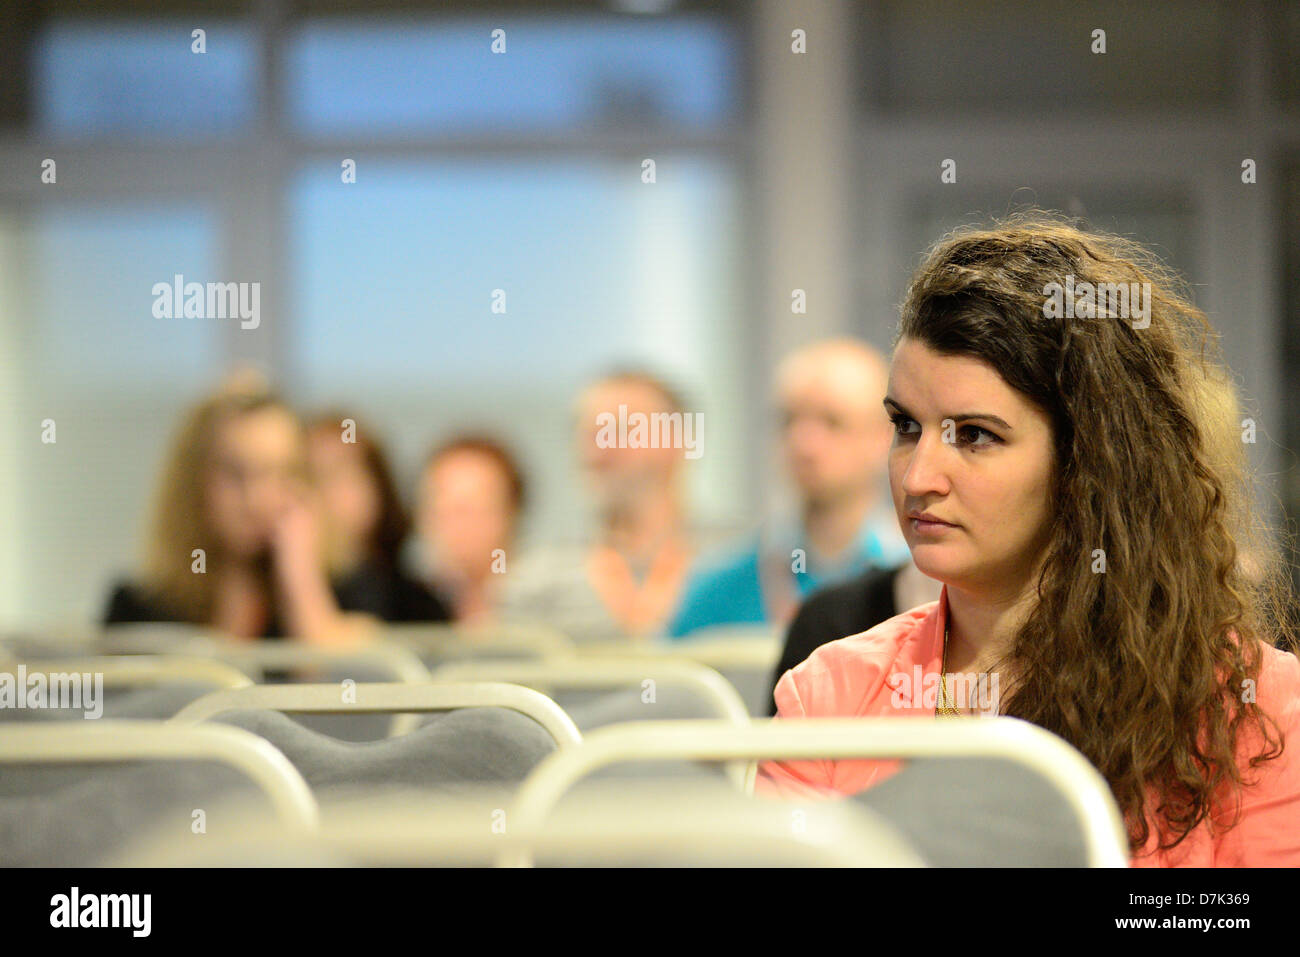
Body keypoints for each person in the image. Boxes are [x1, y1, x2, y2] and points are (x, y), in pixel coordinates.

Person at [758, 214, 1300, 867]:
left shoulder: (1257, 706)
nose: (919, 476)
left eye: (975, 434)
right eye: (905, 426)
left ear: (1086, 461)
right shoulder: (828, 694)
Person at [104, 380, 386, 643]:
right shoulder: (140, 606)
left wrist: (300, 579)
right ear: (193, 481)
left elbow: (339, 679)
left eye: (279, 472)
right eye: (235, 473)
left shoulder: (349, 587)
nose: (256, 499)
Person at [669, 338, 911, 638]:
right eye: (789, 420)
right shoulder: (716, 590)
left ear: (883, 436)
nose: (804, 444)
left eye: (832, 422)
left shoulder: (920, 580)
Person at [500, 370, 696, 644]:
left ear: (677, 440)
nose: (597, 452)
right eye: (587, 434)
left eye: (618, 431)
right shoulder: (534, 579)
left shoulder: (742, 567)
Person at [304, 412, 451, 624]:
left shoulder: (415, 603)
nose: (325, 492)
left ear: (378, 488)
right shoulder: (270, 597)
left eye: (339, 474)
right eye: (310, 475)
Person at [414, 435, 526, 624]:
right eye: (442, 510)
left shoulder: (544, 603)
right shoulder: (409, 606)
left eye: (469, 510)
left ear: (511, 512)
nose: (457, 527)